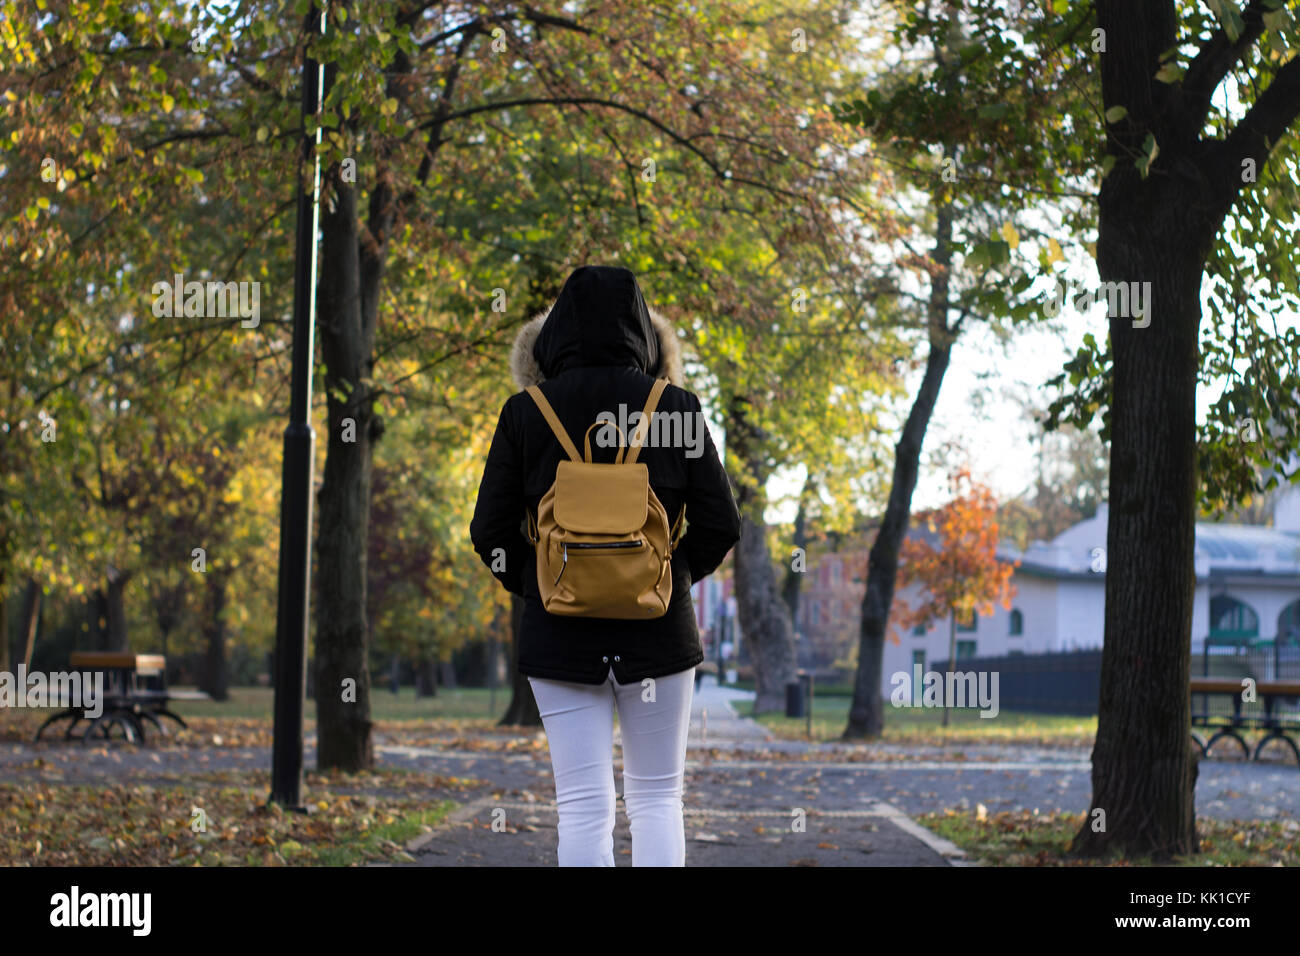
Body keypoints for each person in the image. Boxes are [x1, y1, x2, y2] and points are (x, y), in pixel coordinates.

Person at [470, 265, 742, 866]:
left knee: (583, 804)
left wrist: (540, 585)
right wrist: (671, 578)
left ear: (554, 334)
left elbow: (488, 533)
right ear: (645, 333)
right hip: (659, 633)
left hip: (559, 634)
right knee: (657, 799)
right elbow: (722, 525)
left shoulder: (525, 413)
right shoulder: (677, 408)